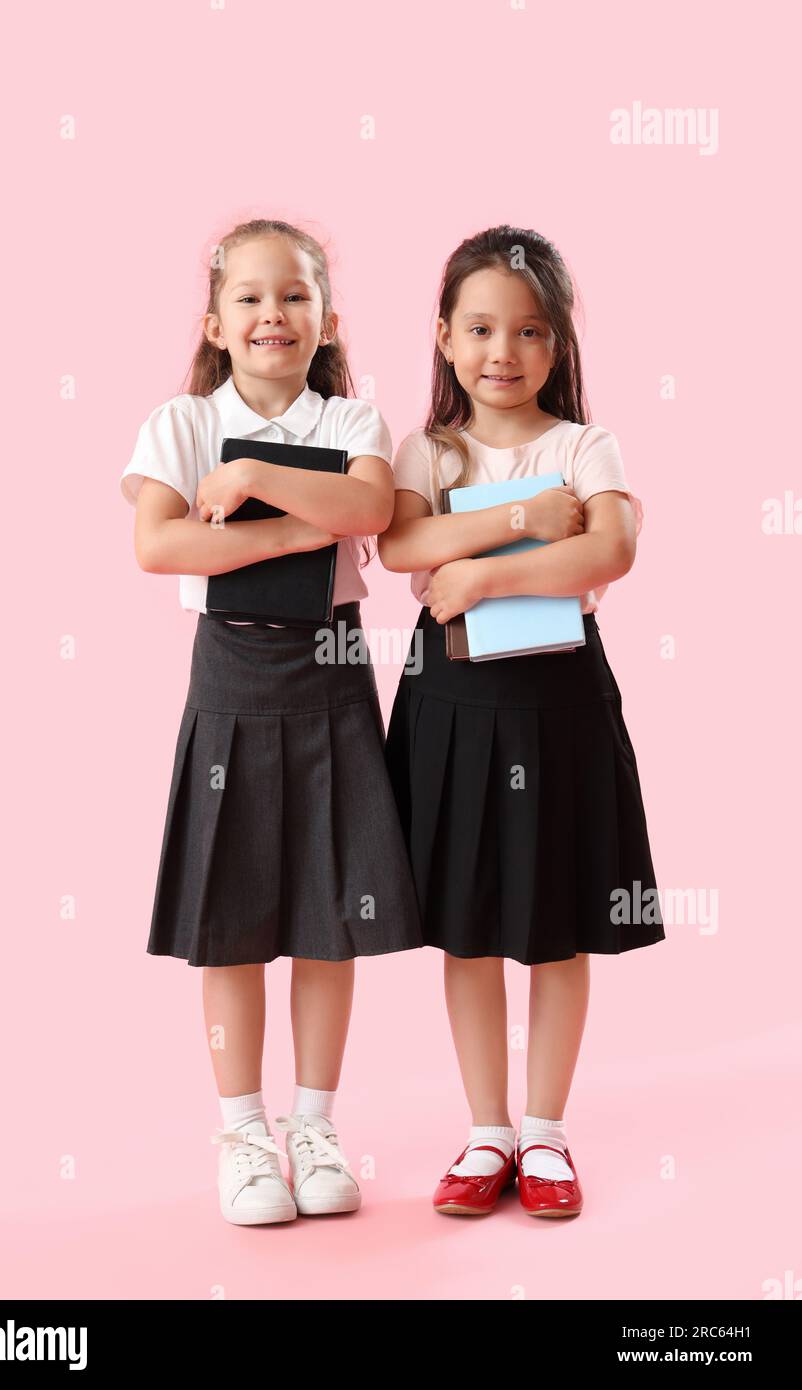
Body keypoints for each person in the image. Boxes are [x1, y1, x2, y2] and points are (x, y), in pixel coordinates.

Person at [120, 219, 422, 1225]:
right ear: (214, 321)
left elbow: (372, 506)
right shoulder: (178, 422)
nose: (271, 315)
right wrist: (310, 522)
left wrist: (249, 486)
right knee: (231, 921)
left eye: (293, 295)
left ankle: (315, 1124)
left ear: (325, 317)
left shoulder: (352, 422)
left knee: (330, 913)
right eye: (248, 297)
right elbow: (160, 547)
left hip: (331, 669)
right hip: (230, 678)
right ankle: (243, 1134)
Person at [380, 224, 664, 1219]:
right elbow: (401, 538)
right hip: (452, 702)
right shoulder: (424, 447)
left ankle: (543, 1136)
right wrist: (523, 520)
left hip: (557, 703)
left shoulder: (586, 444)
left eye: (529, 331)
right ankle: (485, 1131)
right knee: (464, 925)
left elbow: (609, 550)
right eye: (481, 328)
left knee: (554, 926)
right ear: (445, 338)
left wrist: (478, 573)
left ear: (558, 346)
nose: (502, 351)